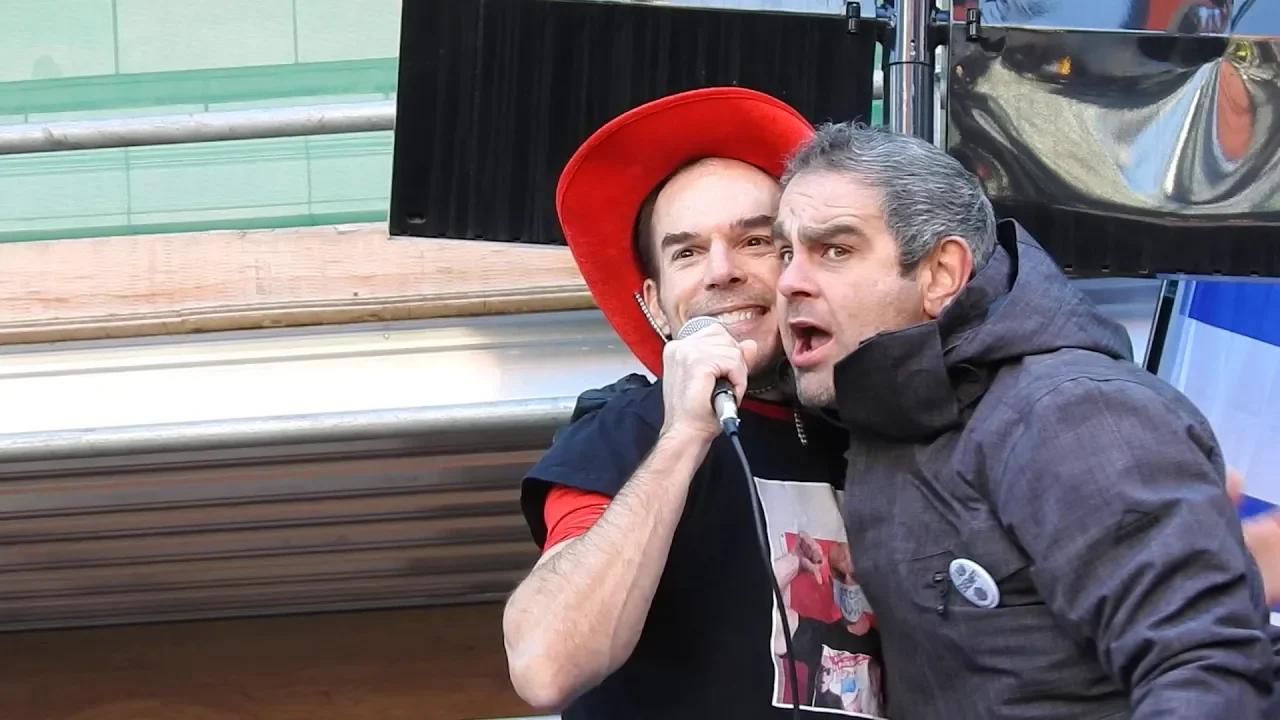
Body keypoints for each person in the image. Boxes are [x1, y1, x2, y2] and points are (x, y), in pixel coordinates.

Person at [771, 121, 1275, 718]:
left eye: (836, 250)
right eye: (785, 252)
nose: (790, 282)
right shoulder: (875, 414)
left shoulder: (1072, 413)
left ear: (941, 274)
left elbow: (1207, 666)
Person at [501, 88, 885, 719]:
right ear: (655, 304)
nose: (721, 271)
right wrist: (682, 435)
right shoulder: (623, 432)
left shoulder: (871, 430)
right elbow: (546, 666)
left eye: (756, 241)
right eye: (687, 252)